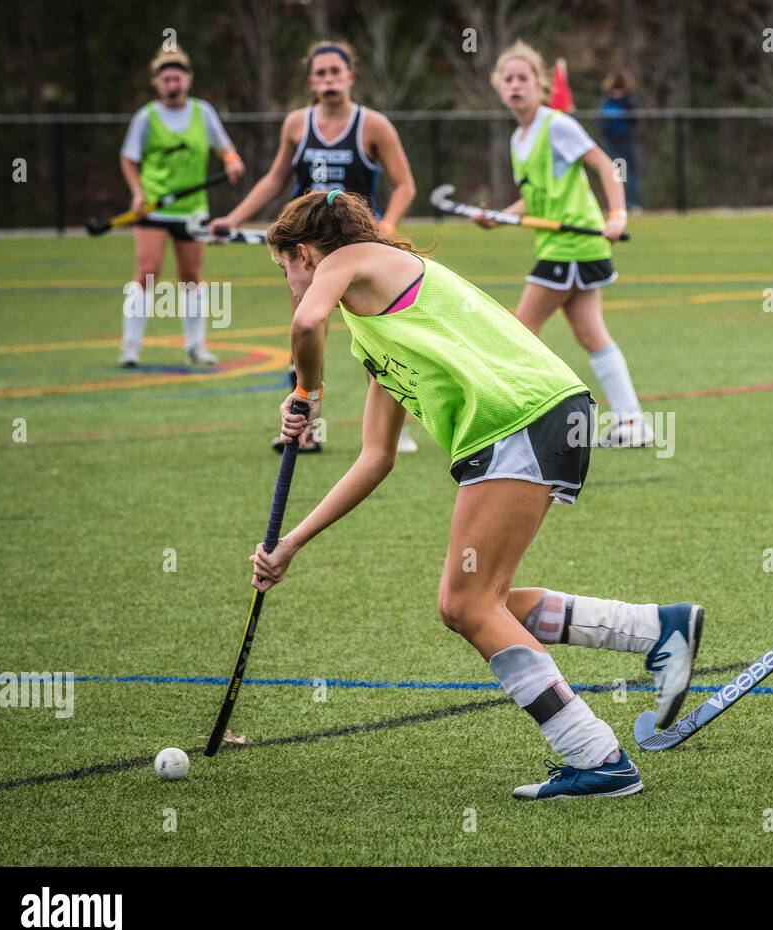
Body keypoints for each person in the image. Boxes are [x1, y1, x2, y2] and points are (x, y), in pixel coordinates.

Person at [249, 189, 704, 798]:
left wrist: (306, 393)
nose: (291, 285)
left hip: (518, 420)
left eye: (285, 270)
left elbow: (307, 322)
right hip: (537, 419)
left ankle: (597, 756)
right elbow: (374, 459)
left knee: (468, 606)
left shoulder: (352, 256)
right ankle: (653, 630)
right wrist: (291, 546)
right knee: (477, 600)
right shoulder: (379, 320)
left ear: (304, 253)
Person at [207, 40, 420, 453]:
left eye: (335, 72)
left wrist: (386, 226)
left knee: (377, 336)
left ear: (350, 77)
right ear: (311, 81)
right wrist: (233, 218)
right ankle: (305, 429)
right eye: (320, 73)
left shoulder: (373, 125)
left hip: (359, 250)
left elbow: (406, 184)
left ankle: (396, 427)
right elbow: (274, 180)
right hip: (307, 253)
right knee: (305, 330)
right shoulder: (296, 125)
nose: (328, 80)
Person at [475, 41, 652, 447]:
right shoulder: (518, 139)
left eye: (523, 78)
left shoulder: (556, 125)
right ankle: (632, 422)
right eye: (508, 79)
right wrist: (499, 218)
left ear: (539, 84)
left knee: (520, 332)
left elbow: (607, 167)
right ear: (499, 87)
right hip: (564, 248)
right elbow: (534, 199)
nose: (515, 85)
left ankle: (529, 421)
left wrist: (617, 215)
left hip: (571, 245)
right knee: (592, 336)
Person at [118, 49, 244, 367]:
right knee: (147, 272)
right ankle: (130, 347)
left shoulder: (204, 112)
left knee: (190, 276)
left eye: (177, 78)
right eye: (165, 79)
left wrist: (231, 160)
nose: (172, 84)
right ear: (157, 83)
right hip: (153, 209)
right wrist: (137, 192)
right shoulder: (146, 117)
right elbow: (129, 158)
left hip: (191, 210)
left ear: (187, 80)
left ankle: (195, 346)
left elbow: (224, 146)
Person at [599, 68, 640, 210]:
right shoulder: (614, 101)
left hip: (622, 141)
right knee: (622, 173)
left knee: (626, 173)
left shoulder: (618, 101)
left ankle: (629, 204)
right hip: (617, 142)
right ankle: (623, 204)